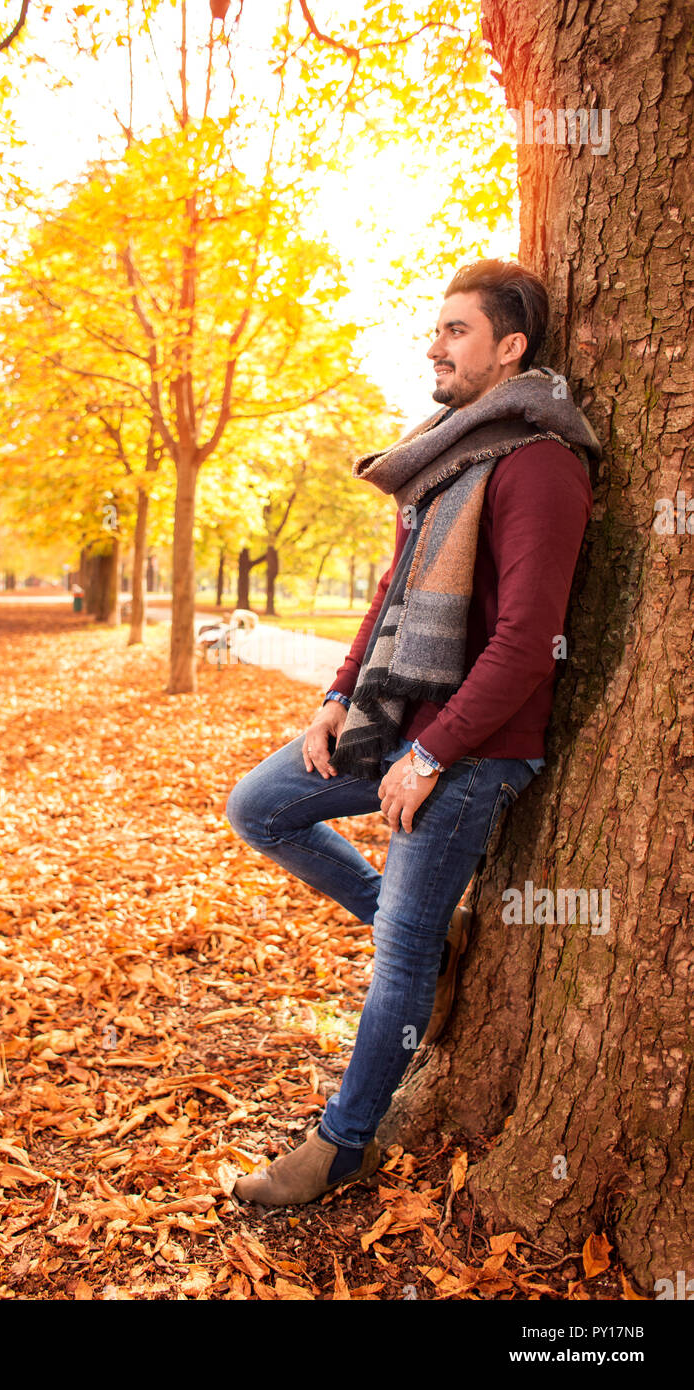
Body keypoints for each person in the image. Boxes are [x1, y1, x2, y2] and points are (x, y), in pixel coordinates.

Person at [225, 259, 600, 1207]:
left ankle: (341, 1145)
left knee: (397, 951)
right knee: (261, 806)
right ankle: (429, 943)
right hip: (399, 716)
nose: (434, 346)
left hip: (477, 745)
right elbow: (393, 597)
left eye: (456, 331)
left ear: (511, 348)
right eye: (435, 329)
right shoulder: (444, 456)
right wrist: (337, 695)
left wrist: (434, 754)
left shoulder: (541, 466)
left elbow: (527, 641)